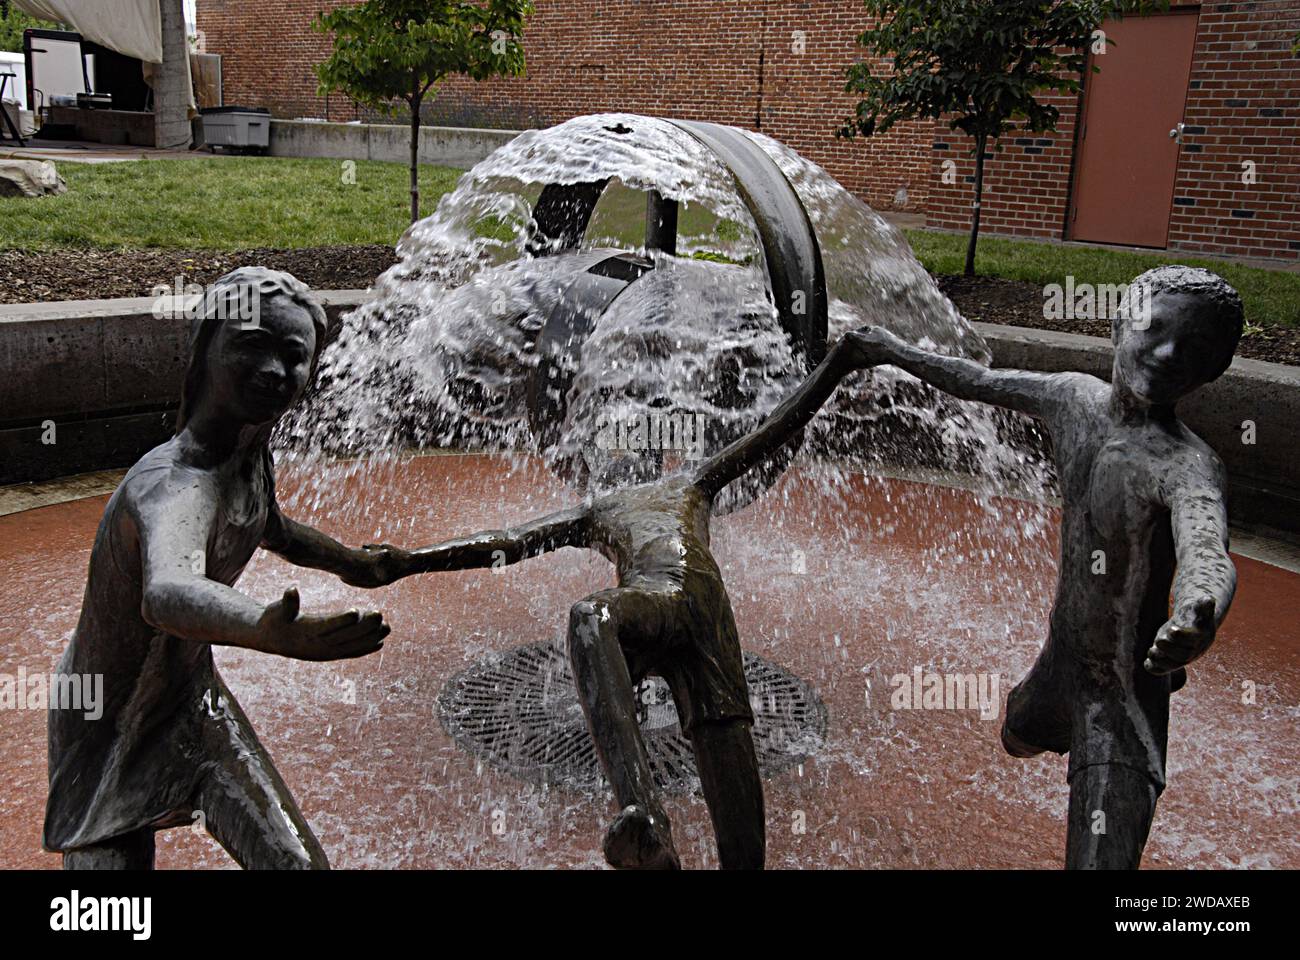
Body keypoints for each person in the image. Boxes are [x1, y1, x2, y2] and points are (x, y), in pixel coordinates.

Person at [362, 332, 881, 869]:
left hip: (696, 615)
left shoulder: (688, 482)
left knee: (743, 845)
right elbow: (507, 543)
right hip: (665, 608)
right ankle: (644, 812)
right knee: (592, 619)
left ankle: (646, 816)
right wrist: (410, 560)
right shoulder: (600, 510)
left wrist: (838, 364)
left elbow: (778, 428)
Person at [844, 265, 1242, 868]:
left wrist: (1198, 612)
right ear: (1117, 325)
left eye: (1195, 350)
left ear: (1213, 372)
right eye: (1153, 329)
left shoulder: (1186, 466)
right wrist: (889, 350)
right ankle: (1048, 720)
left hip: (1122, 698)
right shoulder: (1071, 398)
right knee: (1018, 731)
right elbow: (977, 379)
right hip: (1057, 671)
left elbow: (1207, 549)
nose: (1166, 354)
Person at [45, 268, 395, 870]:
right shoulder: (173, 486)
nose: (274, 372)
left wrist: (351, 562)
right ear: (206, 347)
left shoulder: (247, 455)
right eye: (252, 346)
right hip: (106, 719)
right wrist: (264, 629)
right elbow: (168, 590)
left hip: (191, 701)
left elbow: (271, 526)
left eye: (293, 356)